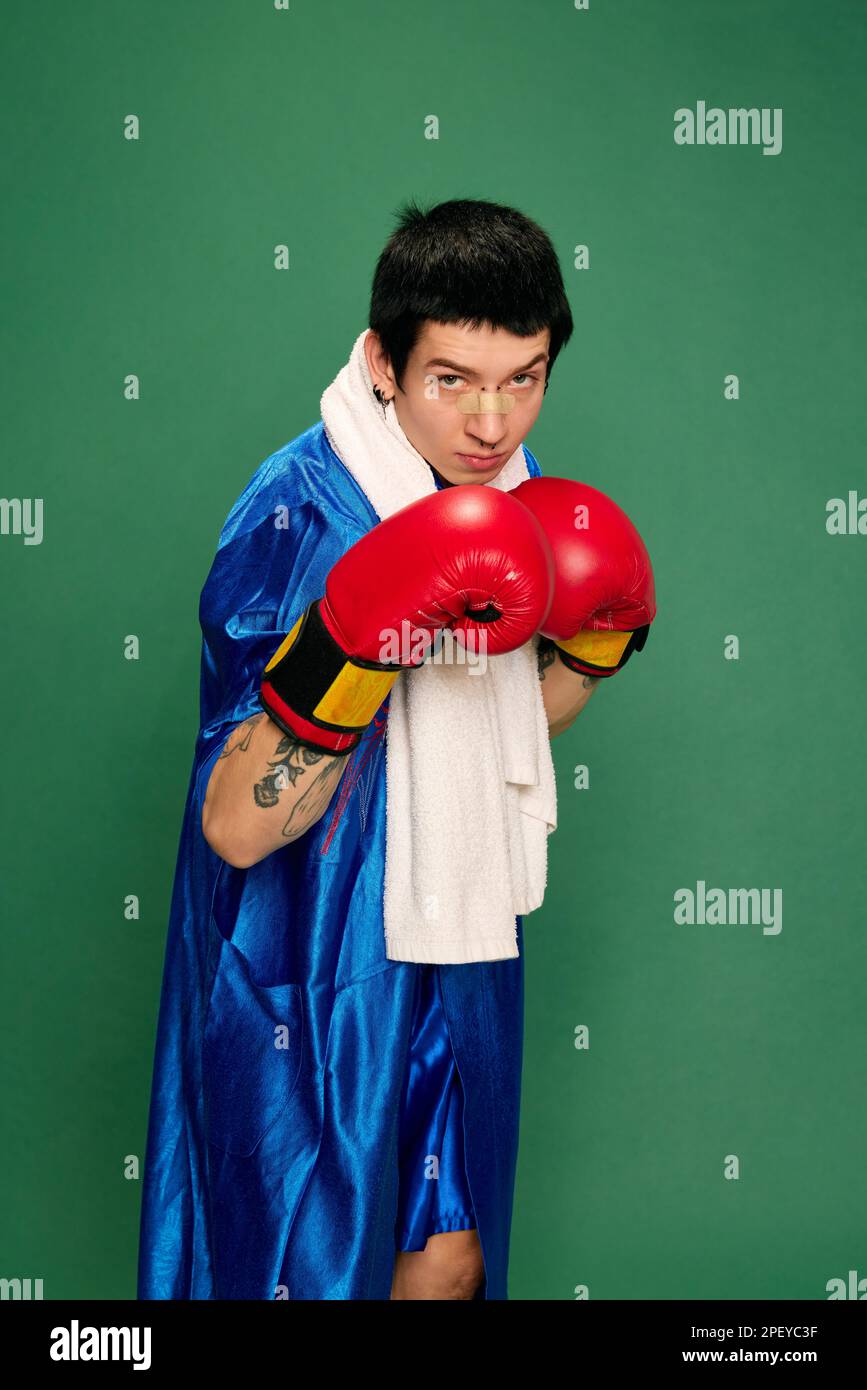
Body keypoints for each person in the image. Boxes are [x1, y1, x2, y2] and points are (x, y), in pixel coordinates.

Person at [136, 197, 654, 1302]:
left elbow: (510, 721)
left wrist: (595, 648)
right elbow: (233, 822)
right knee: (308, 1272)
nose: (492, 422)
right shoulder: (295, 512)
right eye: (453, 379)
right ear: (382, 361)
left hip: (456, 938)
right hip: (306, 967)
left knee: (451, 1264)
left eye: (524, 377)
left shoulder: (505, 502)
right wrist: (358, 645)